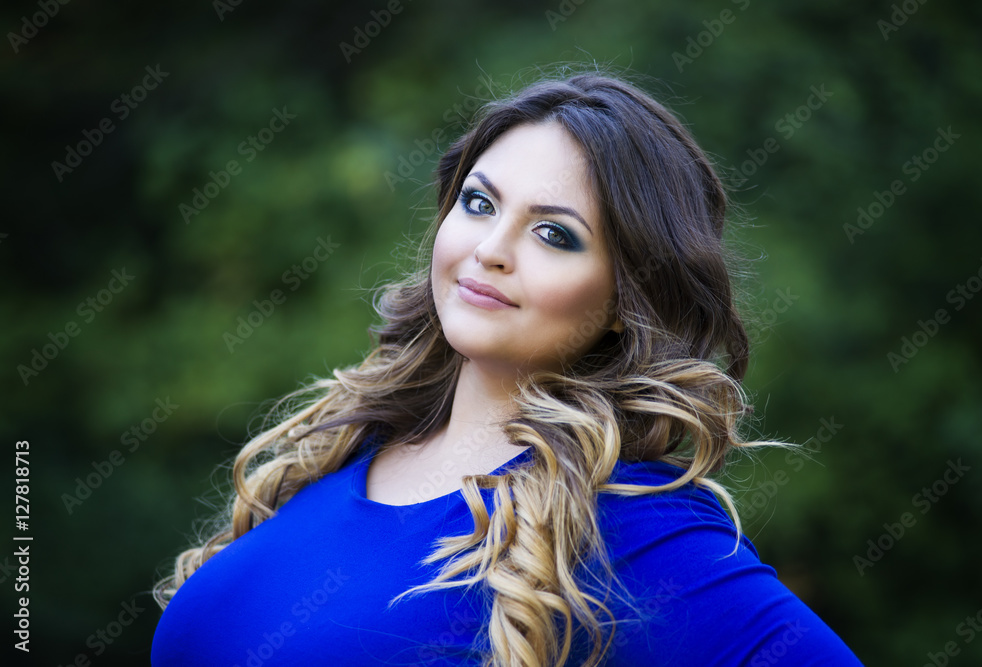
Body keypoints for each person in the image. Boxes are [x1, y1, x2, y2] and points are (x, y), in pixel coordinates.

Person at [151, 66, 864, 666]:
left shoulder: (627, 526)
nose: (492, 246)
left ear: (626, 296)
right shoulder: (342, 449)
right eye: (479, 202)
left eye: (555, 234)